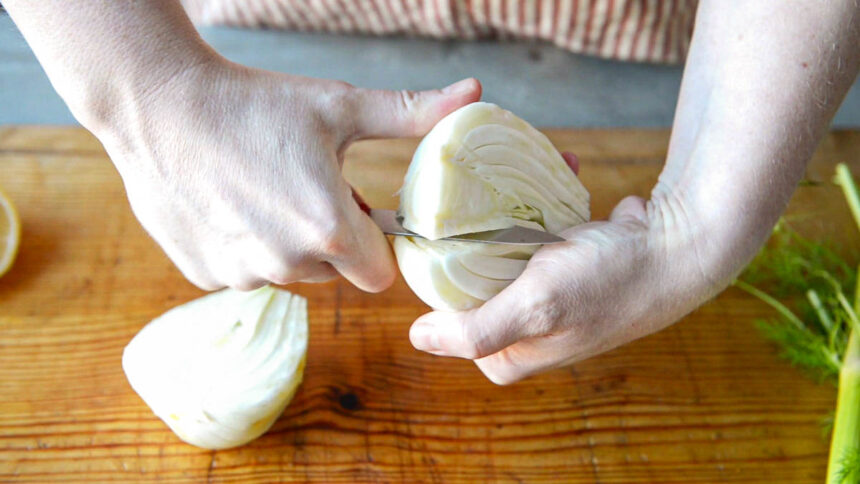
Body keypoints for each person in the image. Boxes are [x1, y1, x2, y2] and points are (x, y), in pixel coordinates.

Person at [4, 1, 858, 384]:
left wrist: (696, 223)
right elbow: (138, 78)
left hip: (719, 64)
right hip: (227, 41)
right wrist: (148, 88)